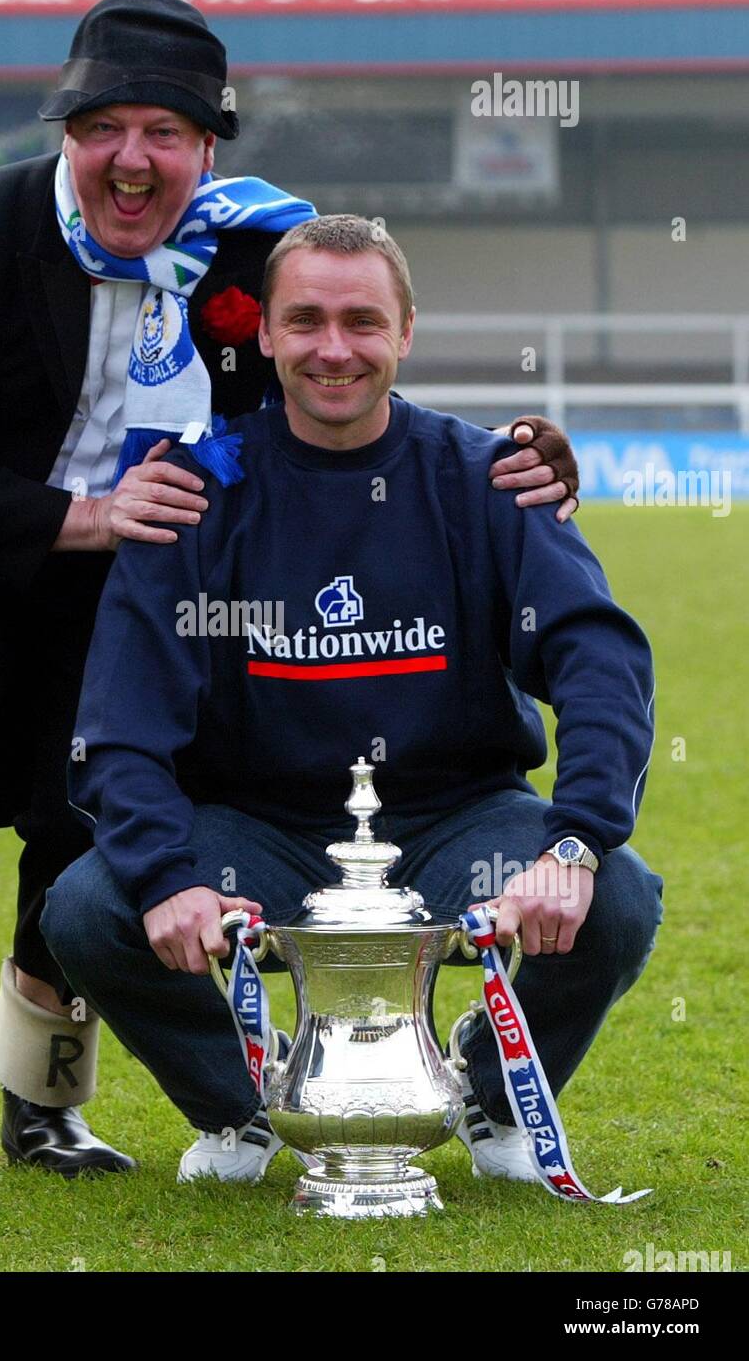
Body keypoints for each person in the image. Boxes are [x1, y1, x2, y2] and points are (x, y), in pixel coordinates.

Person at [0, 0, 579, 1178]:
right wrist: (83, 516)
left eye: (165, 130)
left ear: (210, 148)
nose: (132, 157)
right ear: (64, 134)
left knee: (85, 805)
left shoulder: (260, 249)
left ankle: (40, 1108)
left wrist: (515, 447)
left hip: (161, 557)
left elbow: (350, 370)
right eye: (104, 126)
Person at [42, 214, 663, 1185]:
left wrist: (575, 844)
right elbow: (121, 723)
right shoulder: (200, 491)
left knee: (619, 899)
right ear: (265, 336)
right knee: (88, 907)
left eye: (363, 322)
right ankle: (247, 1108)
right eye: (307, 321)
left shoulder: (486, 478)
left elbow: (599, 656)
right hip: (260, 830)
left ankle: (492, 1096)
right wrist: (167, 875)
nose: (335, 348)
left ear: (406, 332)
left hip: (455, 823)